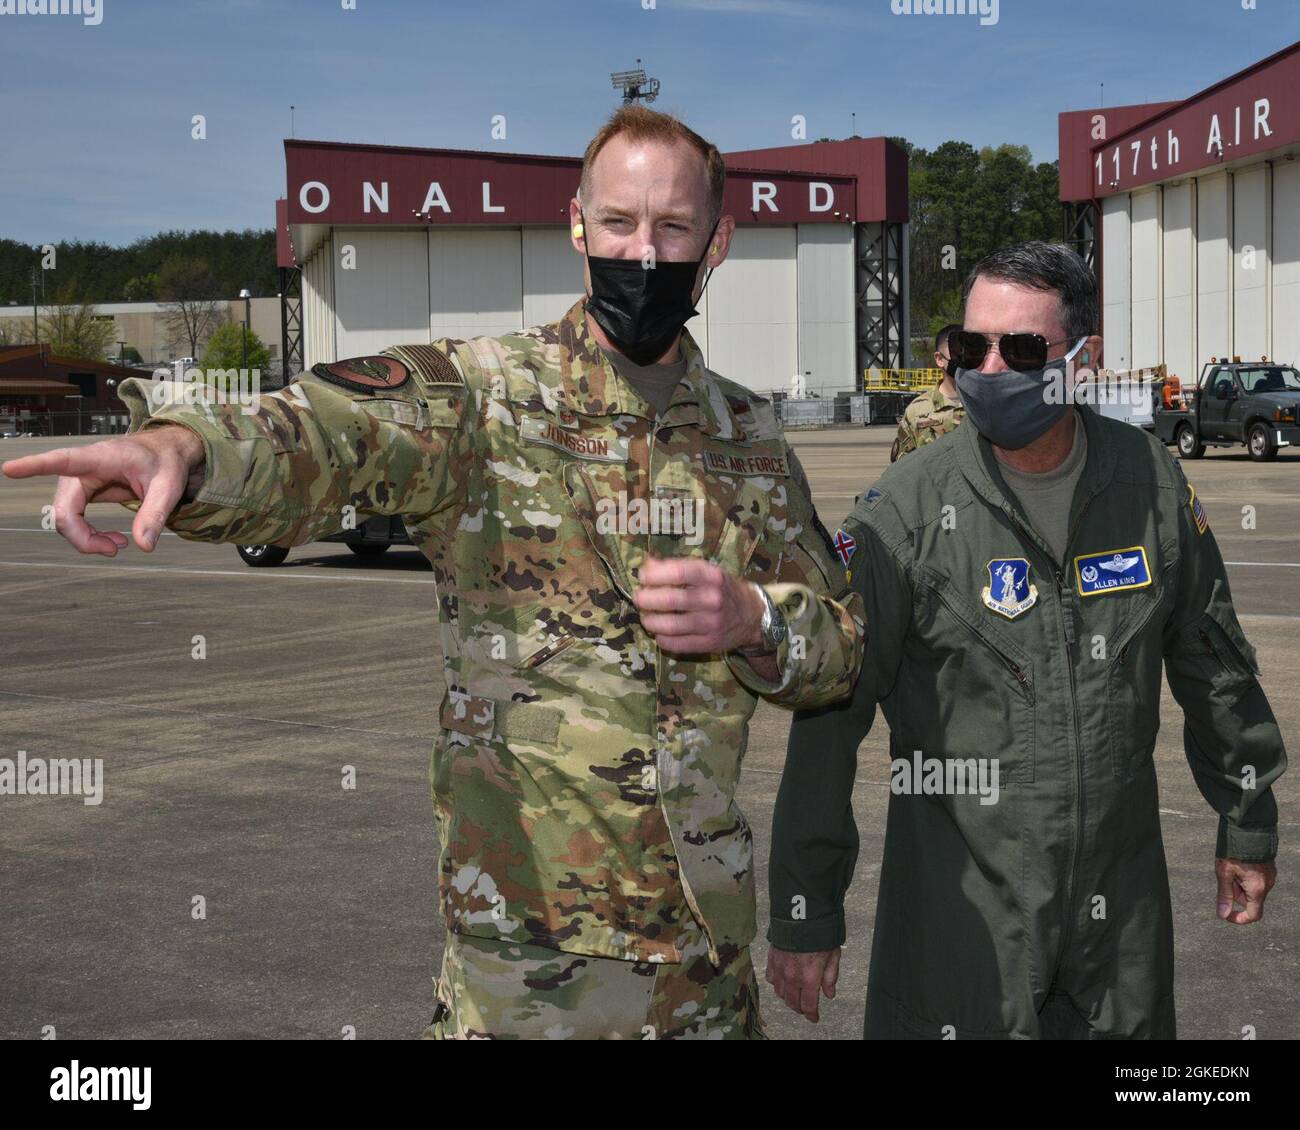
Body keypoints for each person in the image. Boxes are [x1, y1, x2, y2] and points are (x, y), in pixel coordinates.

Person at [3, 106, 864, 1040]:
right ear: (577, 225)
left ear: (718, 242)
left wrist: (756, 622)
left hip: (704, 968)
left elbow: (842, 647)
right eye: (618, 223)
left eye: (673, 228)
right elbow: (326, 431)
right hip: (526, 977)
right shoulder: (482, 398)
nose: (642, 253)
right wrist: (185, 446)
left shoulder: (751, 441)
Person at [765, 240, 1286, 1039]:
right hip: (962, 922)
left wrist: (1248, 821)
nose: (992, 368)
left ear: (1085, 359)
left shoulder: (1151, 487)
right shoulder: (903, 513)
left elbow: (1212, 659)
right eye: (974, 347)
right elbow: (830, 719)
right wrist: (808, 911)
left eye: (1023, 349)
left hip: (1122, 924)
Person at [889, 323, 964, 462]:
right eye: (956, 351)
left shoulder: (991, 404)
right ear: (939, 359)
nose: (963, 357)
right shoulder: (917, 411)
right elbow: (901, 468)